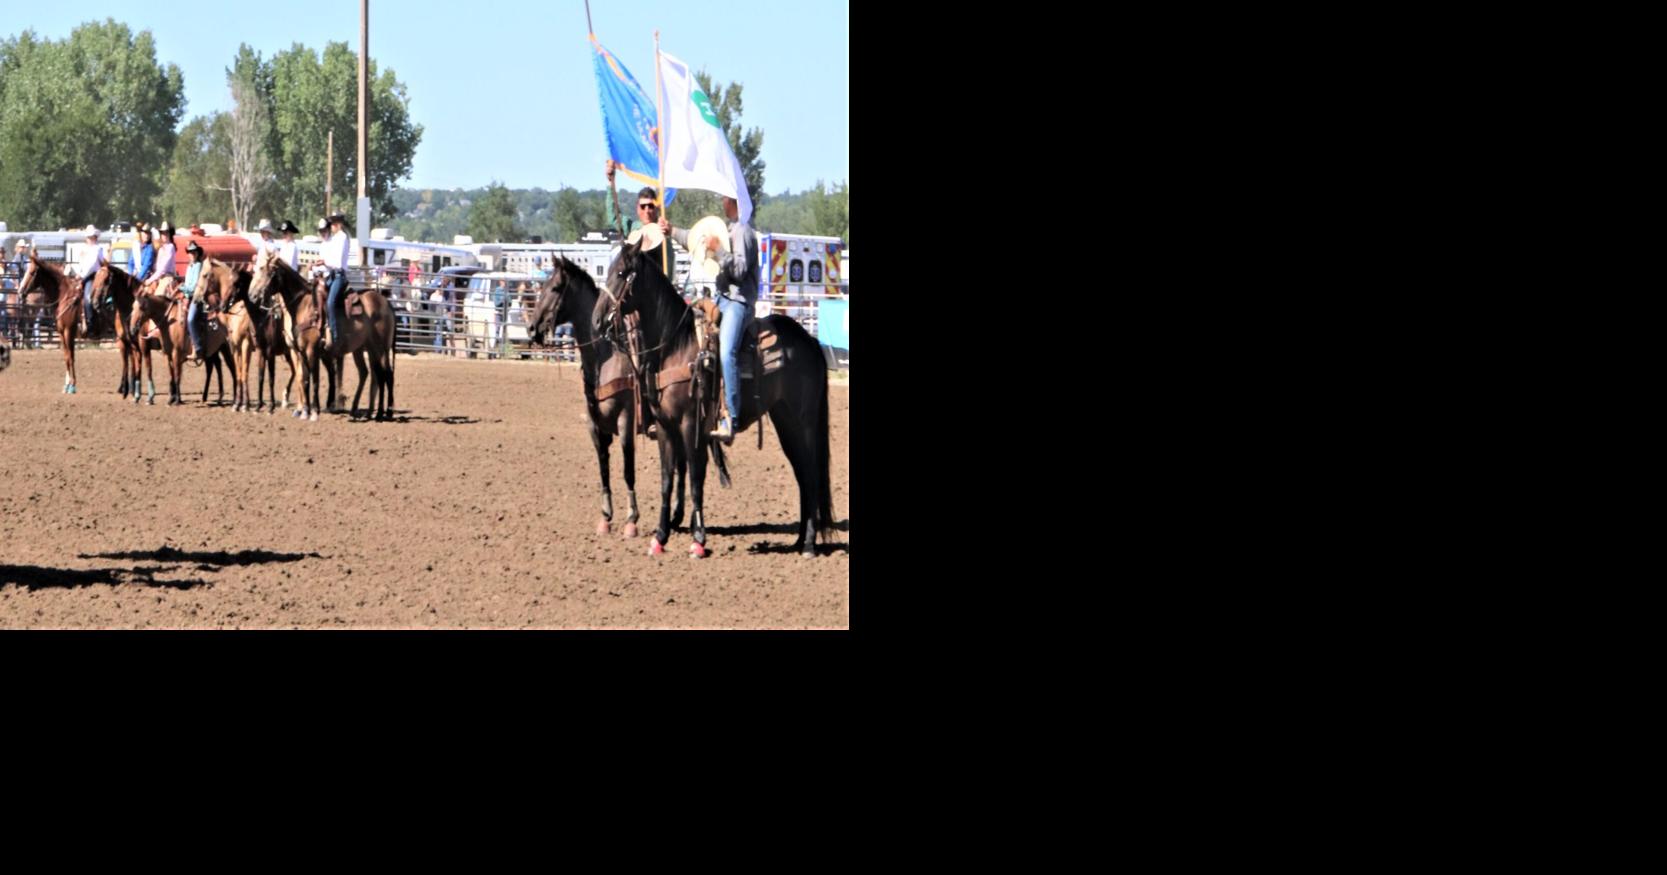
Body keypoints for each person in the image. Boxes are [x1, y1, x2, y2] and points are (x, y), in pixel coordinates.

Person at [660, 195, 758, 441]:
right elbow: (694, 240)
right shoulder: (727, 229)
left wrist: (720, 251)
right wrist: (672, 230)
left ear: (732, 201)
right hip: (722, 297)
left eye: (725, 198)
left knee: (726, 352)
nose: (722, 201)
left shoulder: (743, 231)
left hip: (739, 301)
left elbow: (740, 270)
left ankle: (731, 418)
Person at [604, 160, 662, 237]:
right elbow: (614, 218)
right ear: (638, 208)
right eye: (643, 206)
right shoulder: (634, 228)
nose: (647, 211)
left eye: (650, 206)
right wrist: (611, 182)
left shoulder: (663, 229)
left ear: (657, 208)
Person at [320, 213, 351, 351]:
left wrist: (324, 262)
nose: (331, 227)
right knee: (317, 294)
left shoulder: (342, 237)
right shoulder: (335, 238)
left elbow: (337, 262)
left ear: (338, 224)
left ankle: (335, 335)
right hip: (332, 275)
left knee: (331, 302)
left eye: (332, 224)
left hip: (339, 276)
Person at [181, 240, 209, 365]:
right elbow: (187, 285)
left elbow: (193, 287)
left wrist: (182, 288)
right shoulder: (189, 267)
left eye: (193, 251)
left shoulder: (198, 266)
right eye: (190, 252)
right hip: (187, 297)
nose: (191, 254)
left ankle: (197, 347)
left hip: (196, 298)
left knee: (191, 319)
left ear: (197, 253)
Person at [77, 225, 107, 335]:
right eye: (89, 237)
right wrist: (78, 274)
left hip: (92, 276)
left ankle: (90, 324)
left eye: (92, 237)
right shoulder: (83, 249)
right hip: (82, 276)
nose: (91, 239)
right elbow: (80, 264)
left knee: (88, 299)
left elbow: (94, 265)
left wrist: (82, 277)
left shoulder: (98, 249)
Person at [144, 221, 179, 295]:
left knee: (158, 295)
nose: (164, 235)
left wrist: (150, 280)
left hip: (167, 277)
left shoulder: (170, 247)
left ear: (169, 234)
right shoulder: (161, 248)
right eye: (163, 233)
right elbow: (157, 266)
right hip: (159, 277)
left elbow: (163, 269)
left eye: (166, 233)